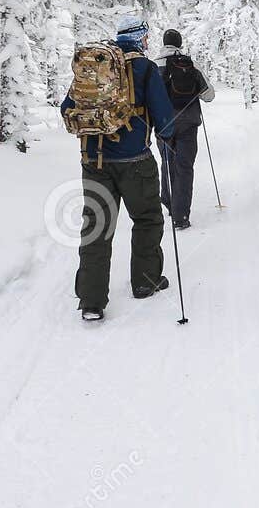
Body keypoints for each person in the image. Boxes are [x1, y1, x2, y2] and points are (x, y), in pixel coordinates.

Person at [60, 16, 175, 323]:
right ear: (140, 38)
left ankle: (91, 301)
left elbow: (65, 108)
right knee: (148, 220)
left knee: (96, 228)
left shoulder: (95, 64)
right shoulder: (146, 68)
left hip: (94, 162)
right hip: (136, 162)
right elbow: (165, 119)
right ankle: (145, 282)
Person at [156, 28, 215, 231]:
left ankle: (169, 203)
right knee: (185, 166)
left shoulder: (155, 65)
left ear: (164, 44)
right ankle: (181, 216)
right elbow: (209, 96)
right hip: (189, 124)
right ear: (180, 44)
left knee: (167, 162)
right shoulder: (191, 65)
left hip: (164, 125)